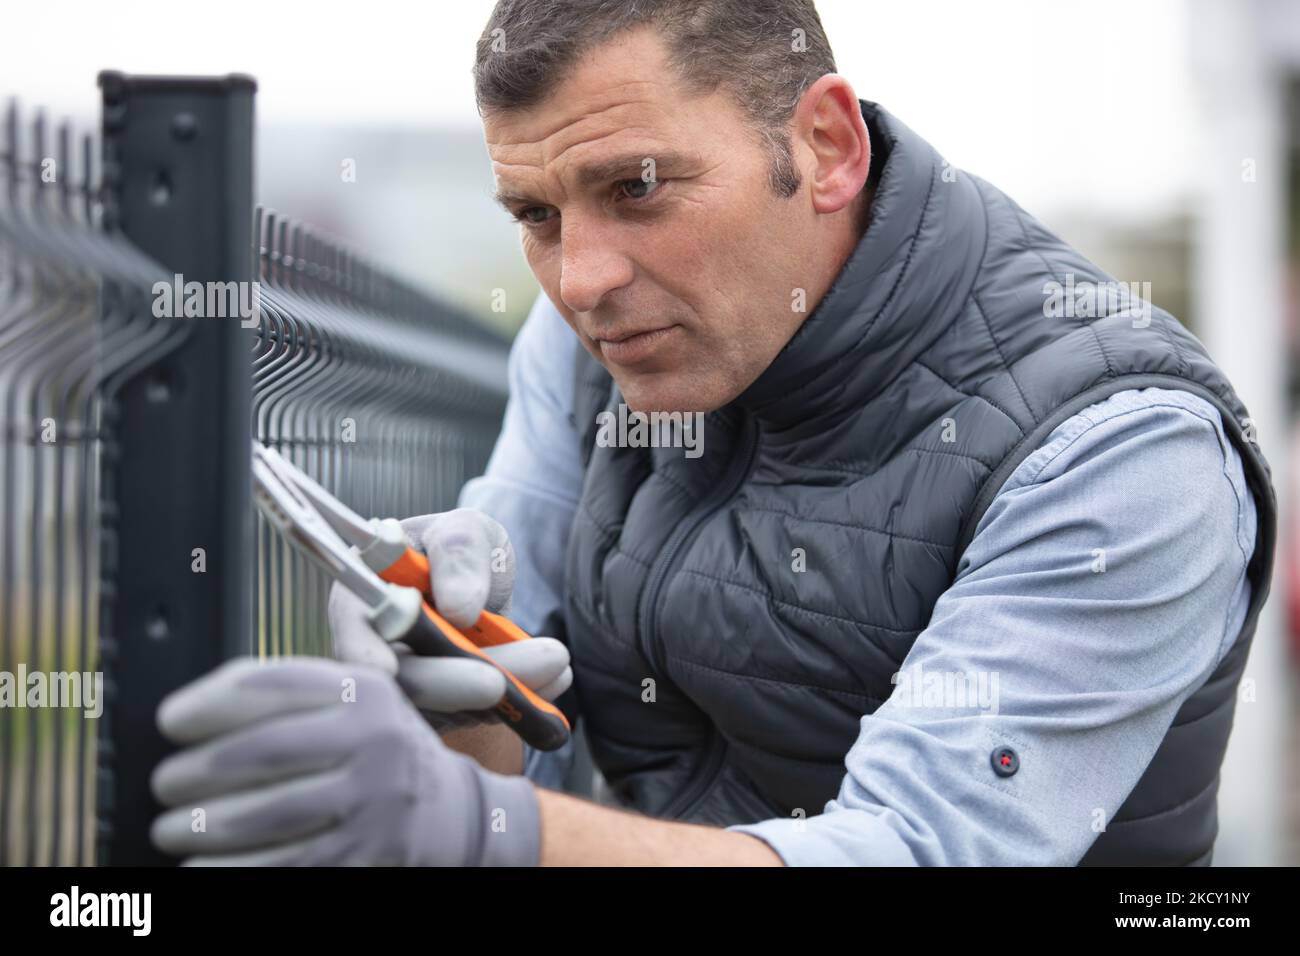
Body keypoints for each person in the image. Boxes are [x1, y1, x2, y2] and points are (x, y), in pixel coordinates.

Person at [149, 0, 1276, 866]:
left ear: (826, 147)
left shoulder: (1125, 455)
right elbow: (507, 695)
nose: (580, 279)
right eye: (537, 215)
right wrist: (446, 681)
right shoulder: (597, 334)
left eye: (637, 187)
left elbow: (915, 850)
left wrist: (486, 829)